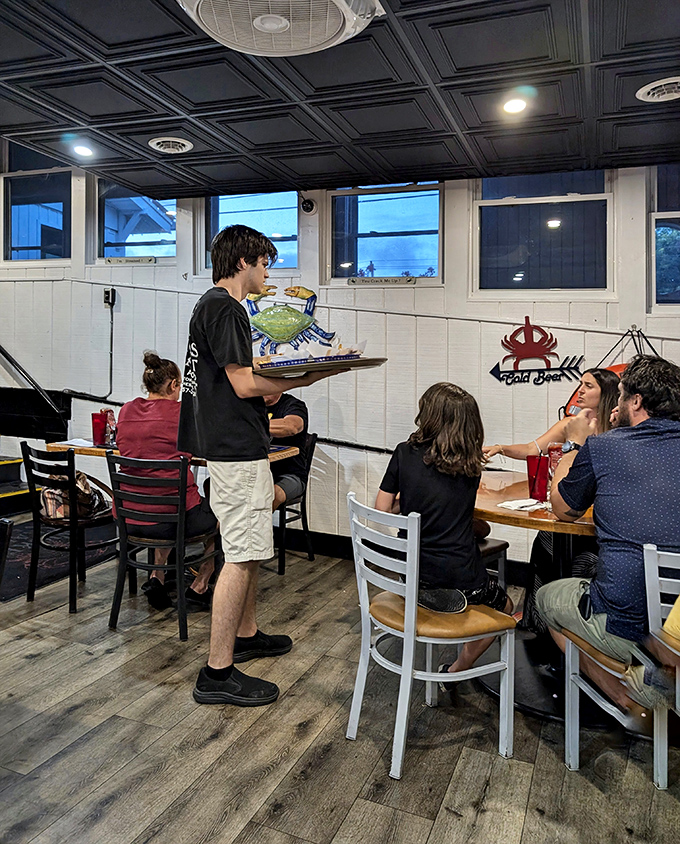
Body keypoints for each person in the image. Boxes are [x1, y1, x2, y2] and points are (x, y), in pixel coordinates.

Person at [178, 224, 344, 708]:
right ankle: (217, 671)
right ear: (243, 261)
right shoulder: (225, 306)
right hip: (235, 452)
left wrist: (298, 376)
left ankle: (245, 635)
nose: (267, 271)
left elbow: (254, 386)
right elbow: (244, 385)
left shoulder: (212, 307)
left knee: (246, 548)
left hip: (233, 447)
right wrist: (314, 372)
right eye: (264, 262)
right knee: (241, 555)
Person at [536, 354, 680, 710]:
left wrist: (573, 448)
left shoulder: (605, 447)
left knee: (546, 600)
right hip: (677, 623)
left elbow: (563, 510)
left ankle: (627, 697)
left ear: (636, 402)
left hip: (631, 625)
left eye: (620, 396)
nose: (615, 403)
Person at [375, 382, 513, 686]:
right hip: (460, 580)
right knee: (506, 608)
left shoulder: (403, 452)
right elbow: (460, 515)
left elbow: (382, 507)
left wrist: (411, 503)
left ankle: (453, 662)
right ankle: (457, 669)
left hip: (411, 575)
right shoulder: (471, 466)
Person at [484, 368, 620, 633]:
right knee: (546, 539)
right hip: (570, 509)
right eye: (580, 383)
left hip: (597, 522)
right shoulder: (569, 424)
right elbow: (532, 449)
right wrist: (500, 448)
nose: (579, 390)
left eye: (588, 386)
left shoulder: (617, 429)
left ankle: (578, 622)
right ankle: (543, 622)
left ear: (606, 394)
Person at [115, 351, 217, 612]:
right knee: (223, 509)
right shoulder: (183, 414)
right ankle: (202, 582)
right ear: (174, 385)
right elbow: (202, 445)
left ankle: (157, 576)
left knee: (165, 501)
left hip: (130, 519)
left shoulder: (126, 410)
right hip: (171, 519)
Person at [264, 392, 309, 510]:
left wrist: (249, 425)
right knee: (214, 485)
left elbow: (291, 427)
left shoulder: (293, 405)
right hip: (256, 472)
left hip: (290, 474)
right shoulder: (249, 405)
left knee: (269, 495)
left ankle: (254, 527)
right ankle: (218, 527)